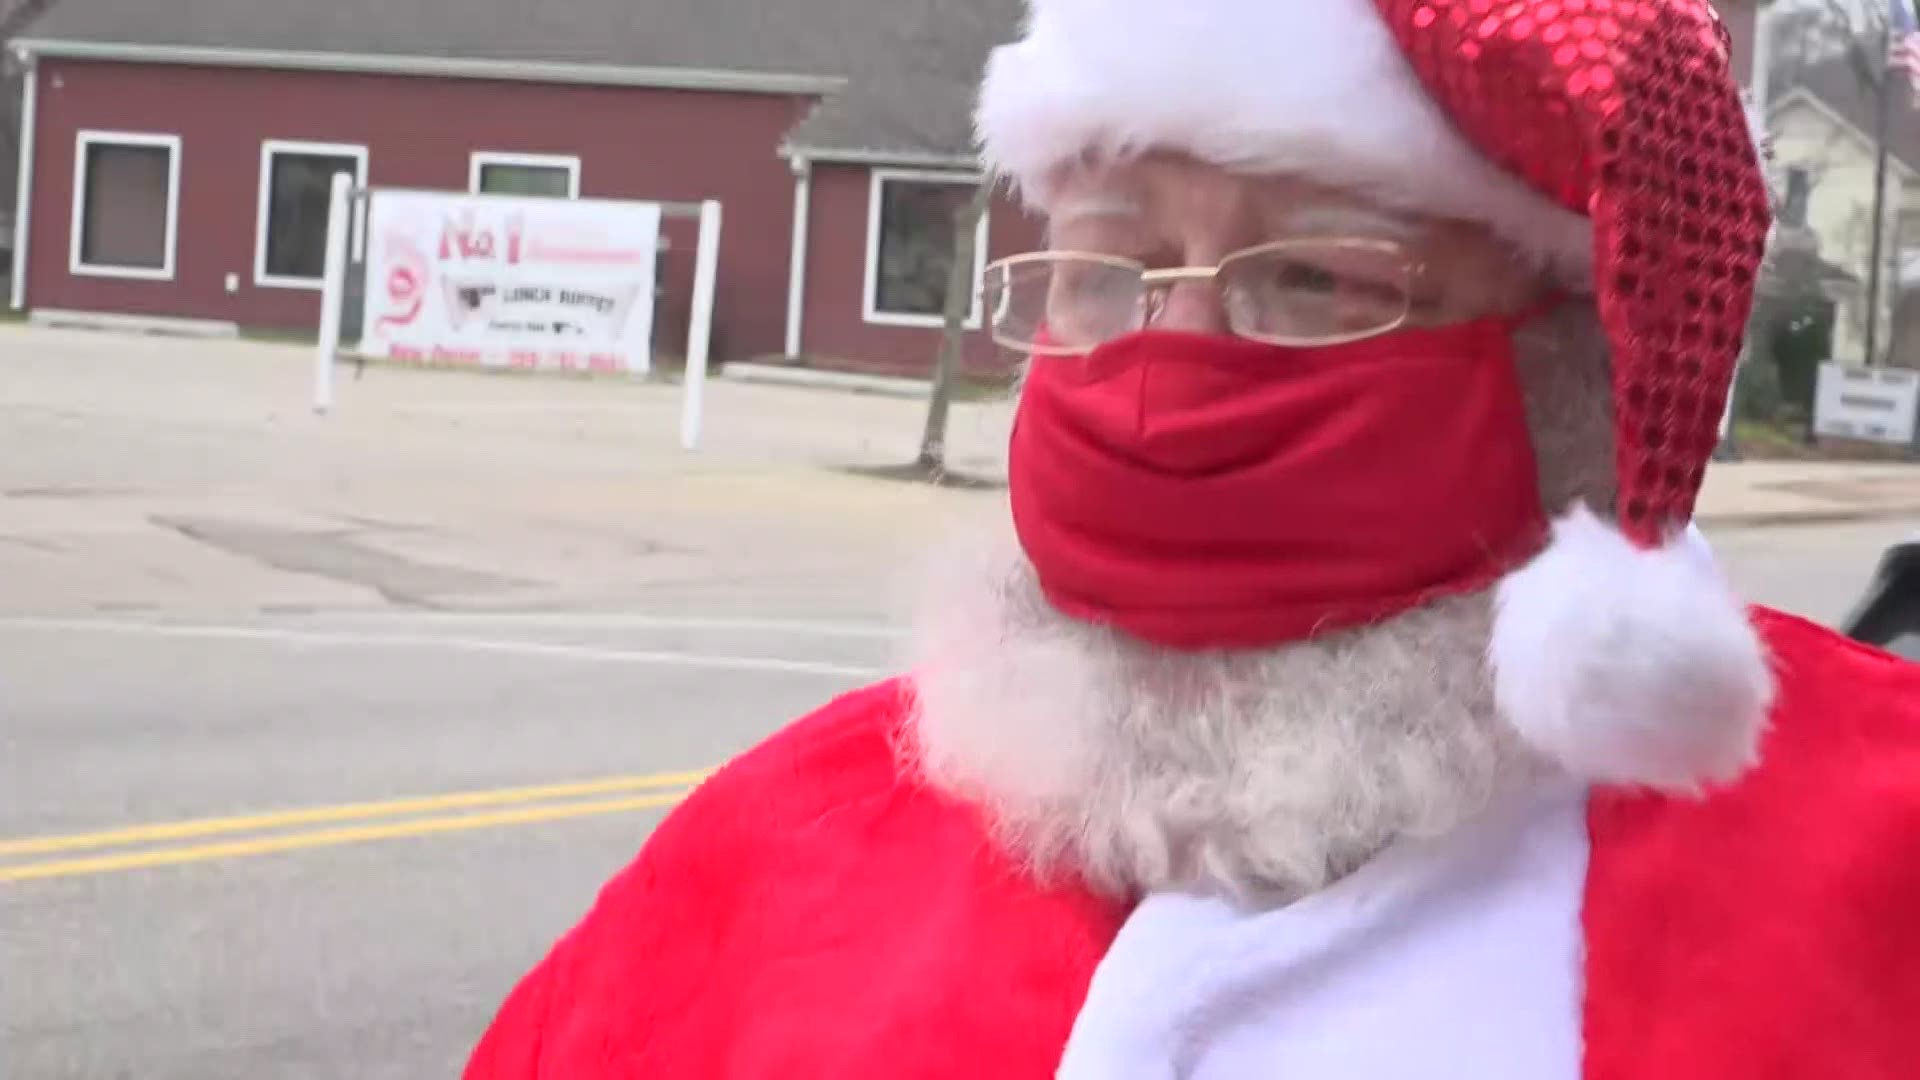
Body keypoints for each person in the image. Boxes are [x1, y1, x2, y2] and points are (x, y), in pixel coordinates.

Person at [467, 1, 1920, 1076]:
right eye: (1107, 268)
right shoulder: (765, 862)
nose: (1174, 364)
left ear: (1572, 366)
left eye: (1313, 275)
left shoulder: (1875, 855)